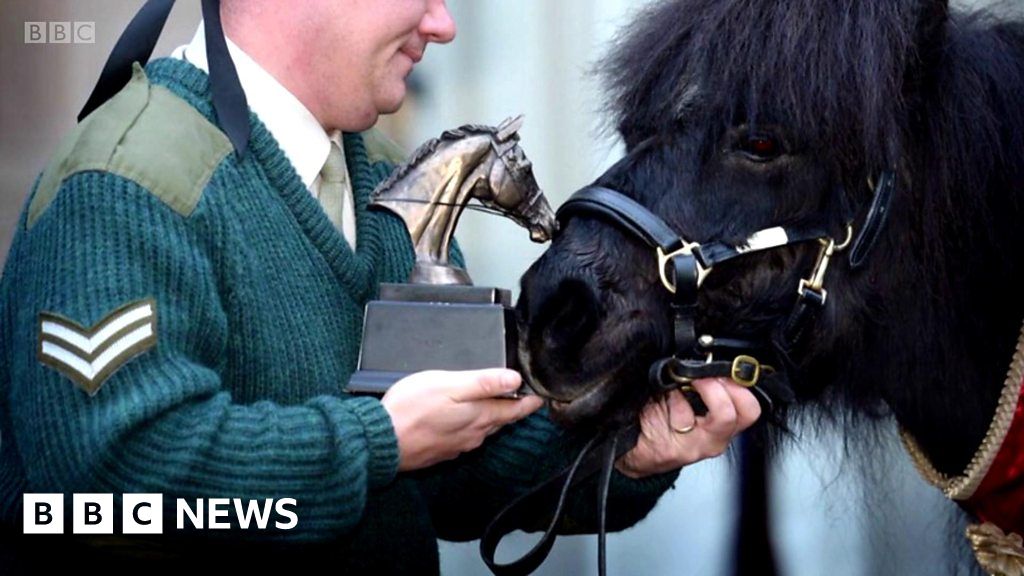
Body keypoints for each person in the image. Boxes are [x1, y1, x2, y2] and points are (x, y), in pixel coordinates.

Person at [0, 0, 762, 573]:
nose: (442, 22)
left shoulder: (389, 191)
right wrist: (380, 441)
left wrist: (631, 452)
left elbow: (455, 478)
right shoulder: (123, 183)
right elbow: (106, 489)